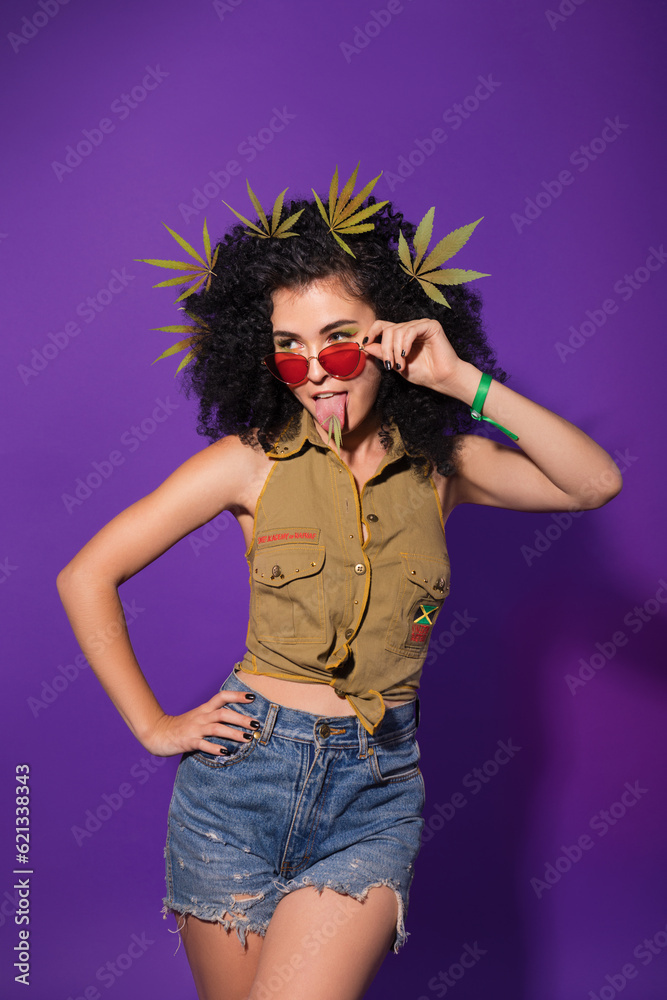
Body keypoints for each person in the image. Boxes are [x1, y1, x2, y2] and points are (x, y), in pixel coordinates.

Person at [56, 164, 623, 1000]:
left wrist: (460, 380)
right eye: (288, 351)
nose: (316, 370)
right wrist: (152, 726)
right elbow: (87, 574)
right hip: (237, 787)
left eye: (339, 340)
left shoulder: (444, 465)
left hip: (375, 788)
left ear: (392, 333)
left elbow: (592, 483)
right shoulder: (246, 464)